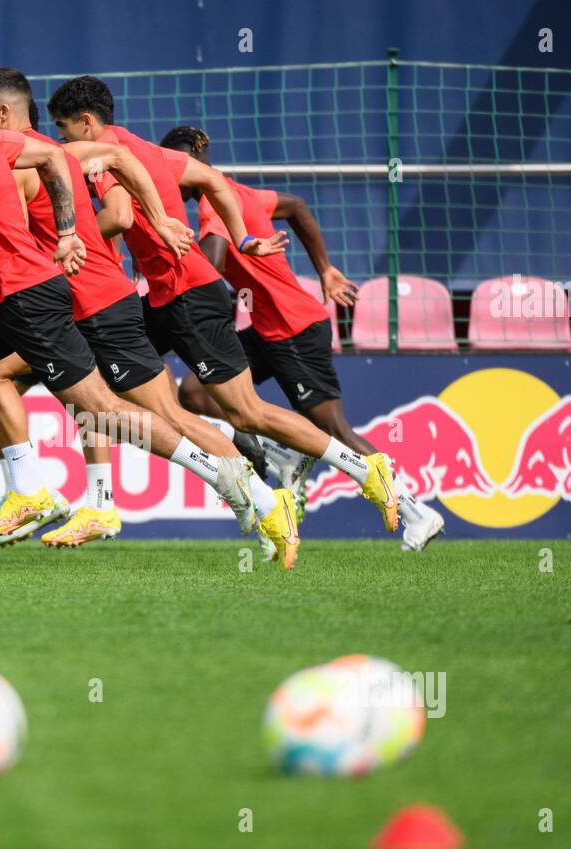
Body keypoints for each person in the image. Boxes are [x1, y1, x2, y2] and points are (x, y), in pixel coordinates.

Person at [0, 54, 258, 553]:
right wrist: (69, 232)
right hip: (8, 293)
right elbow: (53, 159)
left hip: (31, 296)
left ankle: (225, 476)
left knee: (105, 411)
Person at [46, 76, 402, 536]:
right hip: (165, 298)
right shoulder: (147, 150)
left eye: (63, 128)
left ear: (87, 123)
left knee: (246, 412)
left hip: (189, 296)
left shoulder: (102, 159)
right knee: (96, 387)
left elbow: (119, 216)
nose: (60, 139)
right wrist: (244, 238)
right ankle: (102, 501)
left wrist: (65, 241)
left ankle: (361, 468)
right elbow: (213, 179)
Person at [161, 125, 445, 552]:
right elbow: (296, 207)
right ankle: (281, 453)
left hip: (294, 330)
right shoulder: (239, 193)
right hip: (266, 329)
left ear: (186, 165)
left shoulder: (212, 206)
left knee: (333, 429)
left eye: (170, 169)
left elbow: (213, 265)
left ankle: (415, 511)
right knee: (196, 391)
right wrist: (325, 268)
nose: (166, 180)